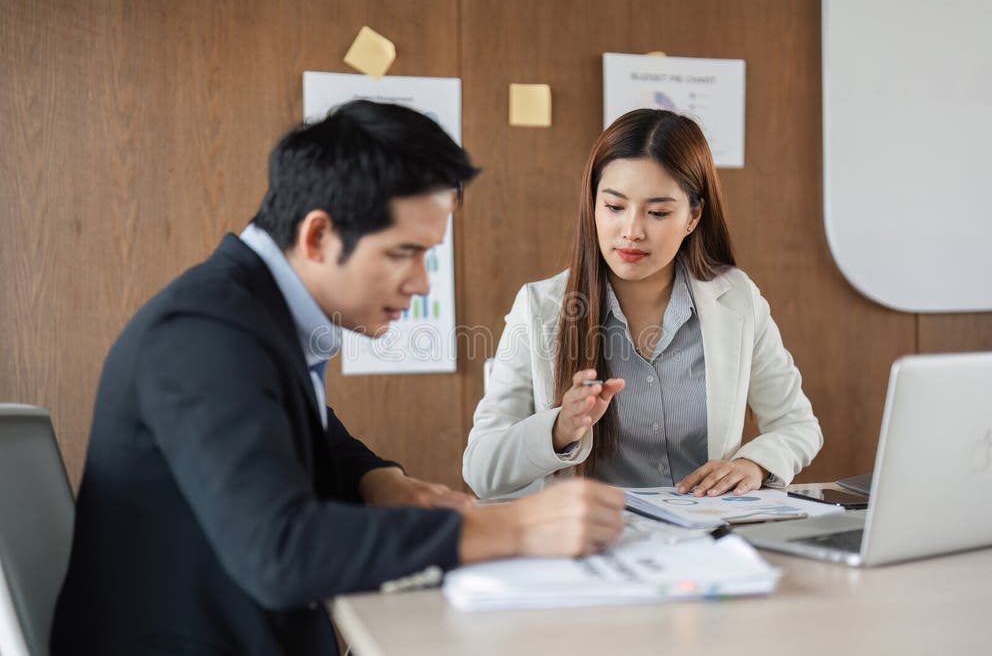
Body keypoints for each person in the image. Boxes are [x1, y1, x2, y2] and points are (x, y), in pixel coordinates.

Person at [51, 100, 625, 656]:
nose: (422, 284)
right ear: (318, 236)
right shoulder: (204, 335)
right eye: (405, 253)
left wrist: (379, 480)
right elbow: (280, 552)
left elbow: (311, 429)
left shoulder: (254, 310)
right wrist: (514, 531)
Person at [463, 108, 822, 499]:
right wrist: (560, 428)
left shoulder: (736, 298)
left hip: (708, 538)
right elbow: (481, 469)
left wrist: (753, 465)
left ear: (692, 216)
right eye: (614, 207)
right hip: (597, 543)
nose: (631, 231)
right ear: (593, 205)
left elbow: (797, 425)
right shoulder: (540, 307)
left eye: (658, 212)